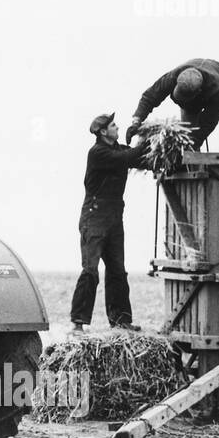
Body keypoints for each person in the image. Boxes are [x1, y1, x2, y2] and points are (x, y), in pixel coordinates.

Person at [69, 115, 147, 334]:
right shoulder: (98, 153)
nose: (117, 126)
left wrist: (160, 153)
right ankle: (78, 321)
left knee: (117, 271)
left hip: (114, 218)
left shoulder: (118, 150)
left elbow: (137, 159)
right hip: (94, 218)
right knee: (90, 270)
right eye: (113, 125)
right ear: (103, 132)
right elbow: (128, 157)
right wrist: (148, 139)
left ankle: (121, 320)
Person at [126, 58, 219, 151]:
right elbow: (150, 96)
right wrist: (136, 121)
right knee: (187, 135)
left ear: (198, 92)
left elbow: (210, 122)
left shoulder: (215, 88)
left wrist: (195, 141)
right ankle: (191, 165)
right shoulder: (173, 76)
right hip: (194, 100)